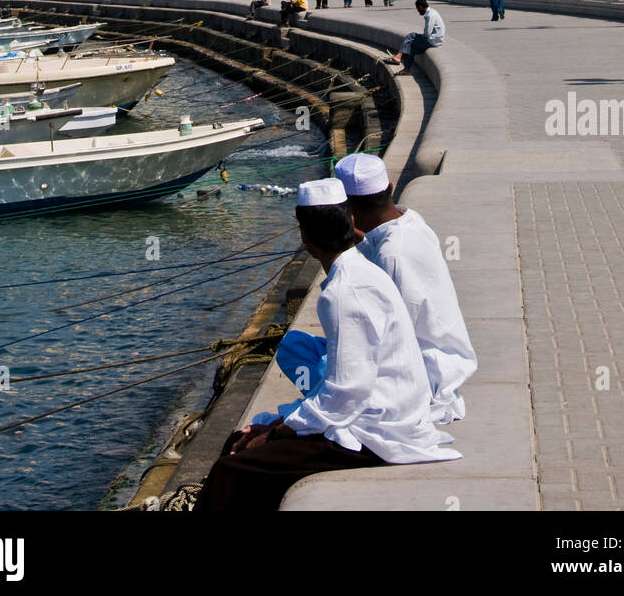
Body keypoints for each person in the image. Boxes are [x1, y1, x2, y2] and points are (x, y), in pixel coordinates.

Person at [193, 178, 460, 513]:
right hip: (378, 415)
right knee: (241, 442)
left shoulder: (343, 292)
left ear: (305, 236)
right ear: (351, 222)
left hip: (374, 434)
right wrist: (278, 426)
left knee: (232, 469)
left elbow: (346, 393)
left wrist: (276, 434)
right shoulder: (361, 270)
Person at [336, 153, 477, 425]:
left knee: (314, 358)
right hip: (439, 361)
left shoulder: (392, 255)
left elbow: (386, 335)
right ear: (389, 188)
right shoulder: (410, 220)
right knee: (301, 348)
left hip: (425, 377)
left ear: (347, 210)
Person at [389, 0, 445, 73]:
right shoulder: (431, 12)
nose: (418, 11)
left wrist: (419, 39)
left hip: (433, 40)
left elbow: (427, 33)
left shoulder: (430, 15)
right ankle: (399, 56)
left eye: (418, 9)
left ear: (421, 7)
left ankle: (406, 68)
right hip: (433, 38)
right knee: (411, 36)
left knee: (411, 45)